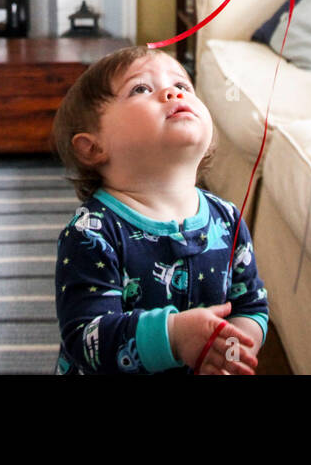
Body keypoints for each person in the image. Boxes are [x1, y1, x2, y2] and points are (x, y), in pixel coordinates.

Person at [51, 45, 269, 374]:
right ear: (93, 146)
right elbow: (86, 338)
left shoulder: (226, 219)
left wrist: (232, 346)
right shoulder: (91, 233)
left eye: (182, 86)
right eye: (141, 88)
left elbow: (250, 304)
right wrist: (174, 337)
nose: (171, 92)